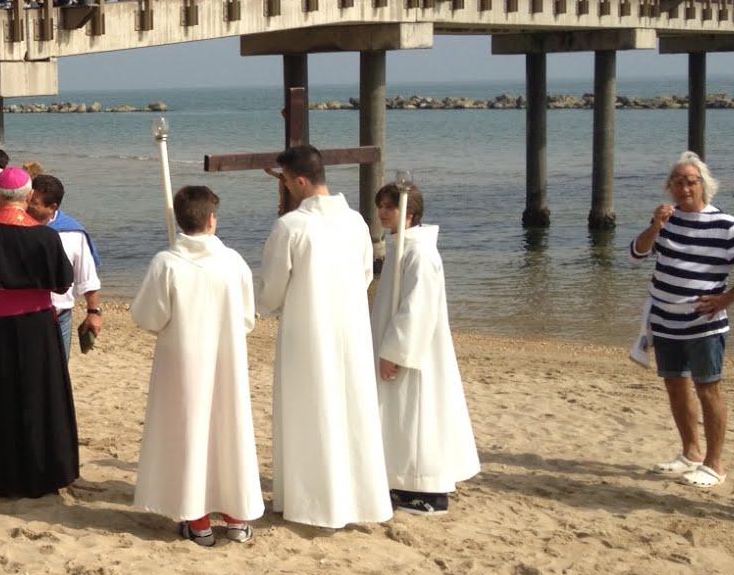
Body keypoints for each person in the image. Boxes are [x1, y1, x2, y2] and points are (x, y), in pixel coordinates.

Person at [255, 144, 392, 529]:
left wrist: (260, 305)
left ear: (299, 180)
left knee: (308, 407)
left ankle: (310, 500)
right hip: (350, 327)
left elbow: (272, 286)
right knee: (351, 407)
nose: (282, 186)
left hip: (307, 327)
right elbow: (366, 274)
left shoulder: (291, 226)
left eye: (283, 180)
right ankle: (358, 497)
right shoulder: (357, 223)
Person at [131, 185, 262, 547]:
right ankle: (236, 519)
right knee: (228, 429)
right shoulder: (233, 262)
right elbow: (247, 318)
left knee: (190, 431)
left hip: (184, 361)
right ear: (211, 219)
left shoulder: (167, 263)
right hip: (226, 358)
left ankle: (198, 519)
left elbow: (147, 316)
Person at [630, 152, 734, 488]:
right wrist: (654, 226)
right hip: (664, 320)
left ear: (703, 185)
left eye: (691, 181)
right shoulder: (666, 220)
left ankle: (714, 464)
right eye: (678, 181)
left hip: (704, 324)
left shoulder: (725, 224)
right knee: (675, 384)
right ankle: (690, 452)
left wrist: (727, 297)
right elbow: (637, 253)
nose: (684, 187)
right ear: (670, 187)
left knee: (708, 389)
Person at [0, 166, 77, 498]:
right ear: (27, 197)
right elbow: (63, 281)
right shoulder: (47, 236)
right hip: (37, 326)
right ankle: (44, 474)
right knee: (39, 397)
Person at [372, 181, 481, 516]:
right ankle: (401, 482)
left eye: (390, 207)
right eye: (381, 206)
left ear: (410, 213)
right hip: (395, 342)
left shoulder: (420, 253)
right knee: (399, 417)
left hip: (415, 352)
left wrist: (395, 352)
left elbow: (416, 309)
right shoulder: (399, 247)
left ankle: (427, 491)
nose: (383, 212)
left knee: (417, 415)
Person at [26, 174, 102, 361]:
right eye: (27, 198)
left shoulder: (73, 234)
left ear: (52, 207)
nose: (27, 205)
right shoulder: (16, 227)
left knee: (58, 374)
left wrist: (93, 312)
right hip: (23, 315)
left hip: (59, 317)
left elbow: (87, 277)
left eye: (34, 202)